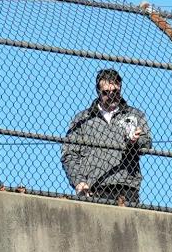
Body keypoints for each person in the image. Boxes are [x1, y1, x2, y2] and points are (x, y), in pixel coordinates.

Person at [61, 67, 151, 205]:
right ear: (98, 92)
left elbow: (147, 143)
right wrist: (78, 181)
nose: (111, 96)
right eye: (106, 92)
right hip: (94, 187)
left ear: (120, 88)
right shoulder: (82, 119)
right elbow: (69, 154)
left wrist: (136, 141)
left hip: (127, 187)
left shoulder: (134, 115)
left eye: (115, 91)